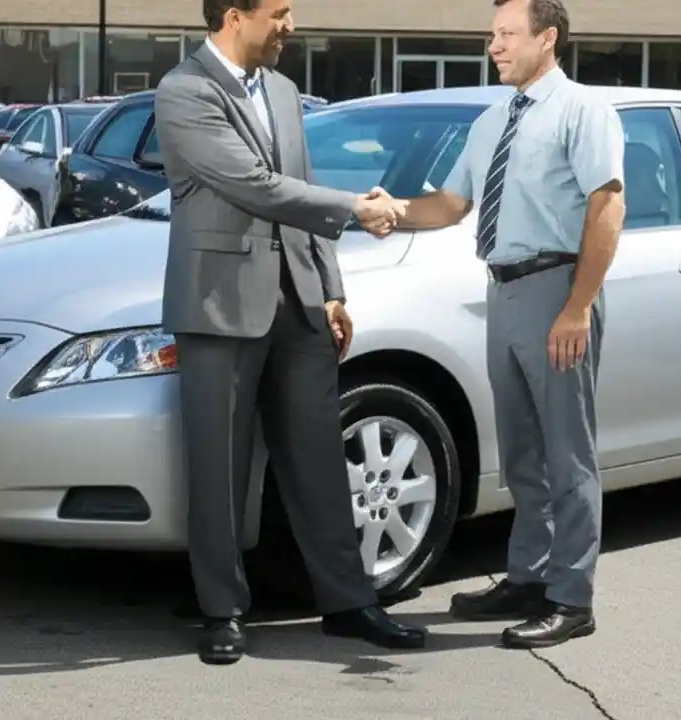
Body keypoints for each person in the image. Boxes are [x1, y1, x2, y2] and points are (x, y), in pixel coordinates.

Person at [153, 0, 425, 665]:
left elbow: (301, 184)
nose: (291, 25)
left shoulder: (283, 89)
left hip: (299, 302)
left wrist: (331, 286)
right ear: (233, 16)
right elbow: (252, 186)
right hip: (219, 305)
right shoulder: (183, 91)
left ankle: (348, 602)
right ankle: (222, 610)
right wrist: (360, 210)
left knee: (319, 460)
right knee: (218, 466)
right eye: (278, 11)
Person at [367, 0, 626, 649]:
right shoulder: (491, 123)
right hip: (504, 291)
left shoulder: (583, 111)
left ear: (549, 37)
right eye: (492, 36)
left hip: (558, 289)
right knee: (521, 451)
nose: (495, 46)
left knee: (569, 454)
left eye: (508, 35)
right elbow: (450, 204)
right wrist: (388, 210)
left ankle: (572, 598)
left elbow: (607, 204)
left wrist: (578, 306)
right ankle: (528, 576)